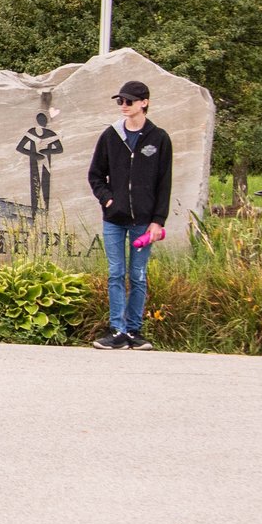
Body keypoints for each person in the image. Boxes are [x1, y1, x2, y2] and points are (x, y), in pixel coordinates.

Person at [88, 79, 173, 351]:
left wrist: (158, 221)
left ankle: (135, 331)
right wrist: (108, 199)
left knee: (137, 274)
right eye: (120, 101)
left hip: (144, 222)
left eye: (129, 101)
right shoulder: (111, 136)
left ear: (144, 103)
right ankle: (117, 331)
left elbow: (164, 182)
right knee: (115, 273)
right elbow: (95, 175)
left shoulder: (159, 138)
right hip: (114, 218)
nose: (123, 106)